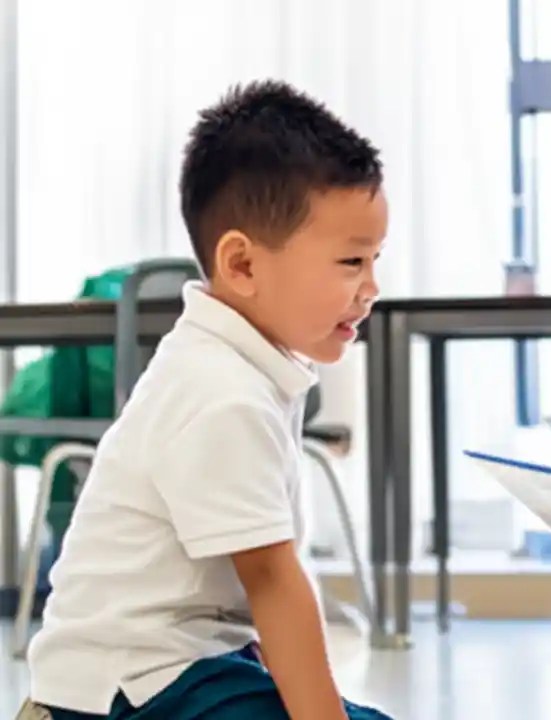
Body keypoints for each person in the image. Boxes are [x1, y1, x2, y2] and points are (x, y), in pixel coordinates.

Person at [21, 81, 394, 720]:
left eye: (375, 260)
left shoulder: (243, 367)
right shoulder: (220, 393)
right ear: (243, 265)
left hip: (184, 665)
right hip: (130, 685)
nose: (372, 287)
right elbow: (274, 583)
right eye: (351, 262)